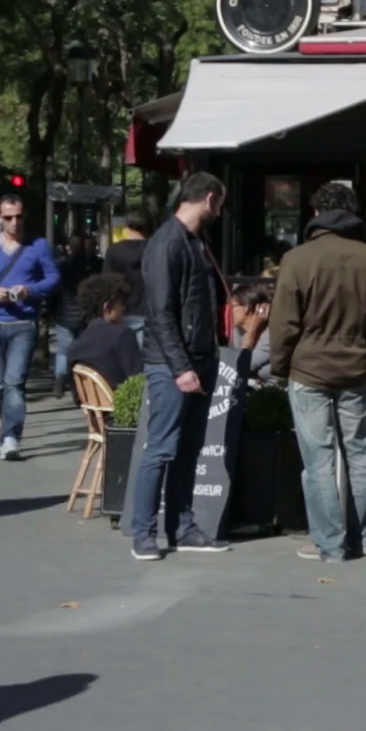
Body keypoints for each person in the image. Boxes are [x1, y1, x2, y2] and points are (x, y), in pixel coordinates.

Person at [269, 182, 366, 562]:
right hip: (355, 368)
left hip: (308, 370)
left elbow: (284, 323)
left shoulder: (297, 259)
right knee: (360, 458)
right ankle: (364, 538)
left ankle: (330, 543)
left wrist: (280, 368)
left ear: (315, 214)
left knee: (318, 462)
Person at [129, 172, 232, 562]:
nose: (220, 212)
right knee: (162, 448)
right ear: (208, 198)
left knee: (188, 449)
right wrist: (179, 366)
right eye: (219, 203)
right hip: (174, 363)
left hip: (197, 358)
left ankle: (182, 527)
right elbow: (160, 312)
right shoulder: (168, 243)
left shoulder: (194, 242)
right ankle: (142, 532)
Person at [0, 192, 60, 462]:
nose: (14, 222)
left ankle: (10, 438)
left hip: (23, 325)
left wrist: (31, 290)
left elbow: (53, 277)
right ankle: (7, 431)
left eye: (18, 216)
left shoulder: (38, 246)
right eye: (8, 217)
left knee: (15, 382)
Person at [64, 273, 144, 393]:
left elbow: (77, 394)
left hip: (94, 408)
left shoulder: (75, 347)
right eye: (122, 303)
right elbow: (137, 378)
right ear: (108, 307)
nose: (124, 308)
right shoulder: (123, 334)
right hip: (123, 404)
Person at [51, 234, 102, 399]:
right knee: (84, 351)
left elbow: (55, 293)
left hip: (65, 314)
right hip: (85, 314)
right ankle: (79, 384)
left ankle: (60, 380)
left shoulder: (62, 267)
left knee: (63, 351)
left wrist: (52, 312)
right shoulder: (93, 267)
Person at [105, 209, 153, 346]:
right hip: (148, 312)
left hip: (120, 312)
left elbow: (107, 283)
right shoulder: (154, 250)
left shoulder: (114, 251)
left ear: (127, 226)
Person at [229, 283, 274, 382]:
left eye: (232, 306)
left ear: (246, 308)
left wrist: (253, 328)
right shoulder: (238, 331)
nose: (228, 311)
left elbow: (240, 367)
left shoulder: (269, 337)